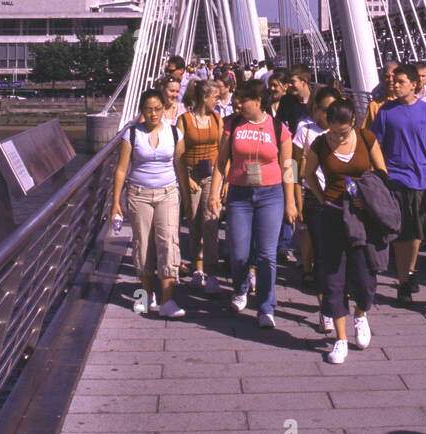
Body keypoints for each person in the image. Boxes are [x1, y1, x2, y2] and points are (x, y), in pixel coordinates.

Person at [304, 97, 388, 363]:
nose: (339, 137)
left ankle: (361, 314)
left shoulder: (366, 138)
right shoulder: (319, 143)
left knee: (365, 277)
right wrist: (321, 198)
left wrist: (368, 195)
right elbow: (306, 174)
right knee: (333, 277)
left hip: (361, 216)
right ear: (327, 123)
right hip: (332, 215)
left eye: (344, 132)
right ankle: (340, 339)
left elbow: (382, 171)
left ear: (352, 122)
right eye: (334, 132)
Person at [208, 79, 295, 328]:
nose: (238, 104)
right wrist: (214, 193)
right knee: (239, 252)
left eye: (243, 100)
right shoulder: (232, 125)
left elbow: (289, 168)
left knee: (267, 254)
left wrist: (290, 201)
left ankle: (267, 306)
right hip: (239, 195)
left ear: (257, 102)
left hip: (271, 194)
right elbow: (221, 161)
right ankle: (241, 288)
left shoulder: (279, 129)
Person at [110, 87, 190, 319]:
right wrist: (116, 202)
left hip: (168, 193)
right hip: (138, 194)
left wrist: (184, 197)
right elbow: (122, 169)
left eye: (157, 109)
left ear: (164, 109)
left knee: (168, 242)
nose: (153, 114)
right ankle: (145, 294)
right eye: (148, 110)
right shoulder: (132, 134)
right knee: (142, 244)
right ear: (142, 111)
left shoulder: (175, 134)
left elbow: (180, 167)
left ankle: (167, 300)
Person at [372, 63, 426, 305]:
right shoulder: (386, 111)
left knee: (416, 232)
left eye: (401, 81)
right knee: (403, 232)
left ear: (414, 84)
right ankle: (403, 282)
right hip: (396, 178)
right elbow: (374, 145)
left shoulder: (425, 111)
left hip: (422, 177)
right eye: (394, 81)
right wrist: (381, 171)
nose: (395, 84)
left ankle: (409, 271)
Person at [294, 86, 338, 320]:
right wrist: (293, 196)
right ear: (316, 110)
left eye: (334, 108)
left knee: (340, 251)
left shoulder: (348, 131)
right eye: (325, 110)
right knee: (322, 251)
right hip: (314, 196)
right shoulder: (305, 131)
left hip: (341, 197)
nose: (330, 114)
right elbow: (291, 165)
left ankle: (338, 292)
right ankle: (326, 309)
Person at [175, 80, 224, 295]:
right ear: (205, 98)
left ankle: (212, 274)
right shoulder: (184, 121)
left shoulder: (217, 119)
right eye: (215, 97)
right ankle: (198, 269)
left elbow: (223, 152)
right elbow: (177, 155)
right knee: (194, 222)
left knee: (211, 223)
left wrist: (225, 180)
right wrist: (186, 177)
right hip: (192, 176)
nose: (218, 101)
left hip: (212, 176)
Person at [277, 64, 315, 136]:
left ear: (304, 81)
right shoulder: (285, 101)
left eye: (292, 81)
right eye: (288, 82)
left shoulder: (317, 101)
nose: (289, 85)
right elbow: (279, 125)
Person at [362, 62, 396, 130]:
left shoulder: (408, 103)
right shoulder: (374, 106)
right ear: (382, 79)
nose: (390, 80)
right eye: (387, 76)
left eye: (394, 76)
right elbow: (365, 133)